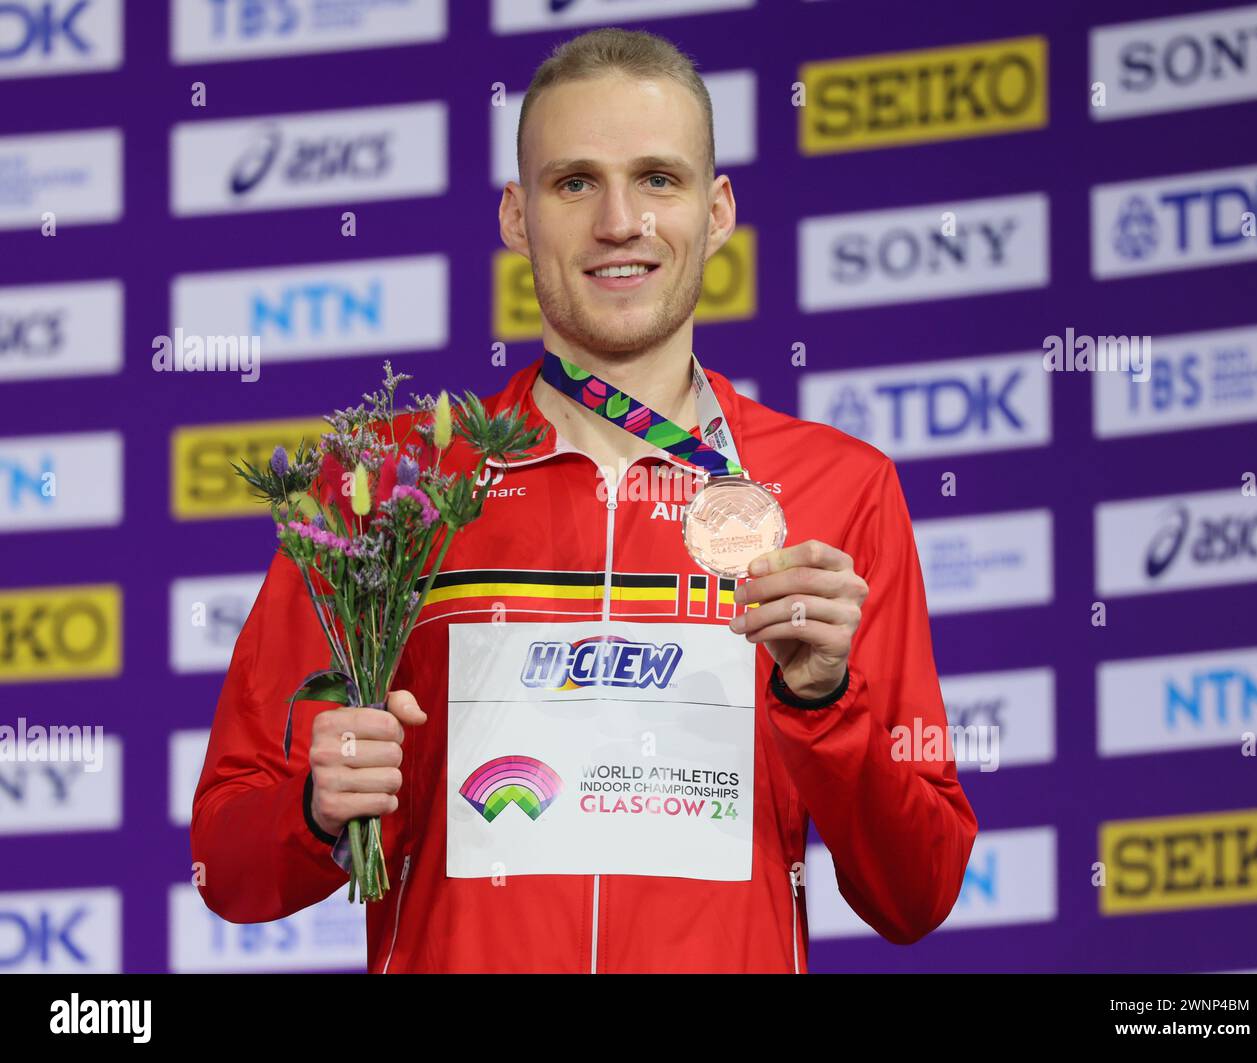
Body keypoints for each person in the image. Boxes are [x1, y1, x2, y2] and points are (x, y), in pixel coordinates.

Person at [191, 27, 977, 974]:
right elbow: (225, 864)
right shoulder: (389, 487)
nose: (620, 222)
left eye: (658, 179)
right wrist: (314, 810)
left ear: (717, 210)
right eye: (575, 184)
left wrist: (822, 701)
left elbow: (917, 890)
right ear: (517, 218)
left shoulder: (838, 488)